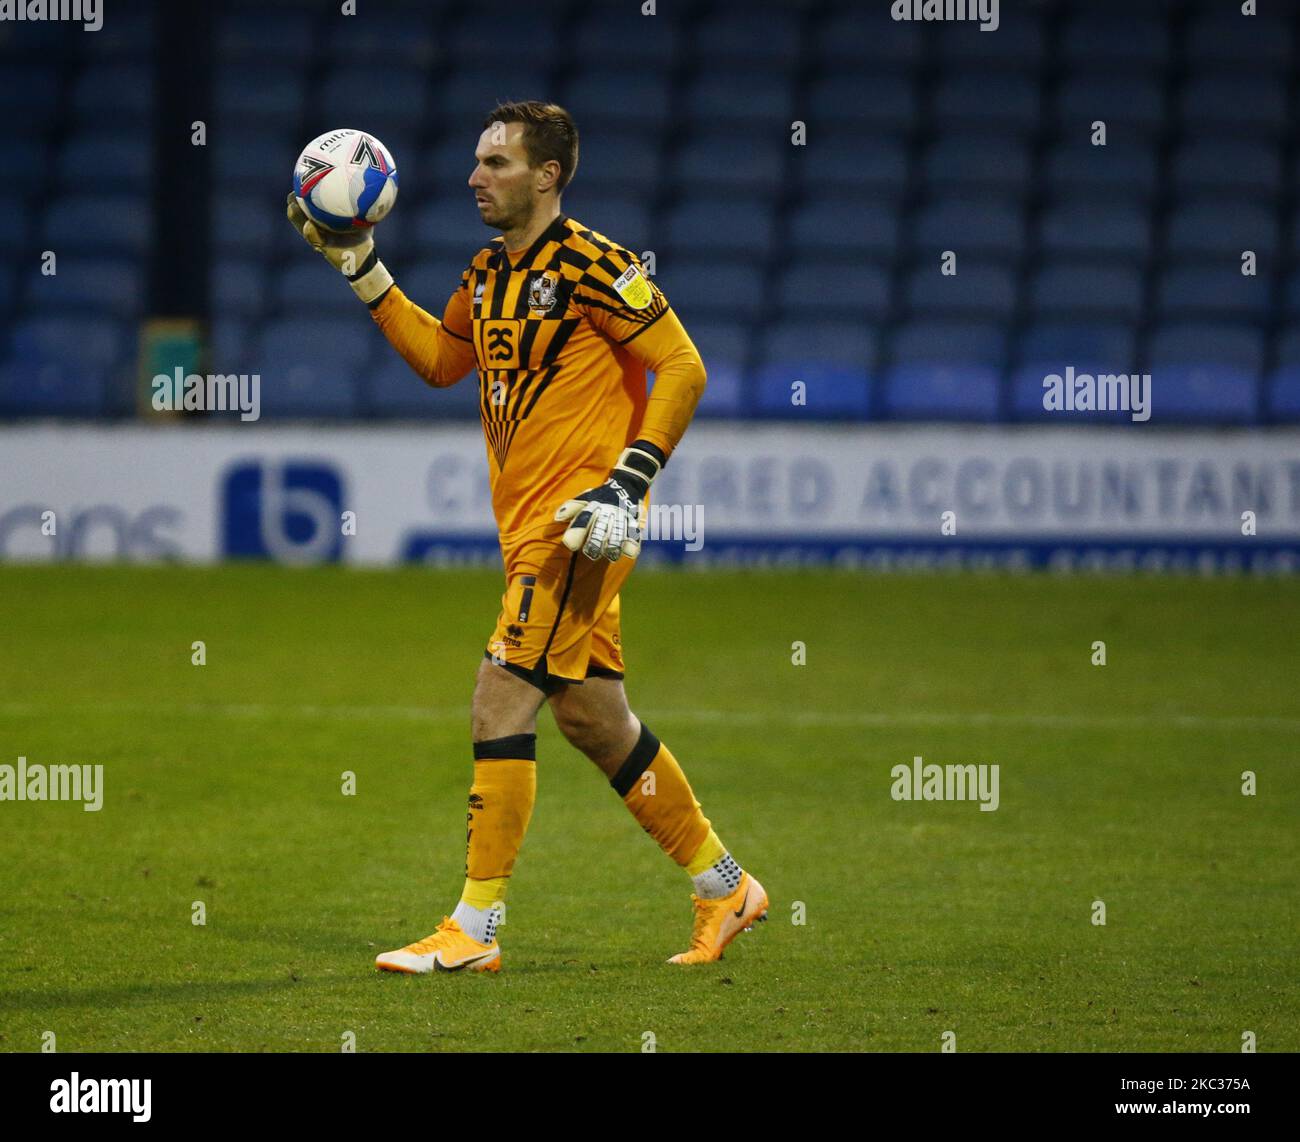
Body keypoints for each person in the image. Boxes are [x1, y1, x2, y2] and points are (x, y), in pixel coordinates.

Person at [286, 100, 767, 971]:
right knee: (596, 719)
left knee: (498, 696)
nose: (477, 176)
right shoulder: (487, 271)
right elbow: (443, 362)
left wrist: (630, 479)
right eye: (477, 160)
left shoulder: (594, 263)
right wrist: (362, 269)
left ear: (547, 176)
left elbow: (683, 363)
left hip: (581, 527)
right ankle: (725, 886)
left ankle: (473, 932)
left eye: (498, 163)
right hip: (528, 531)